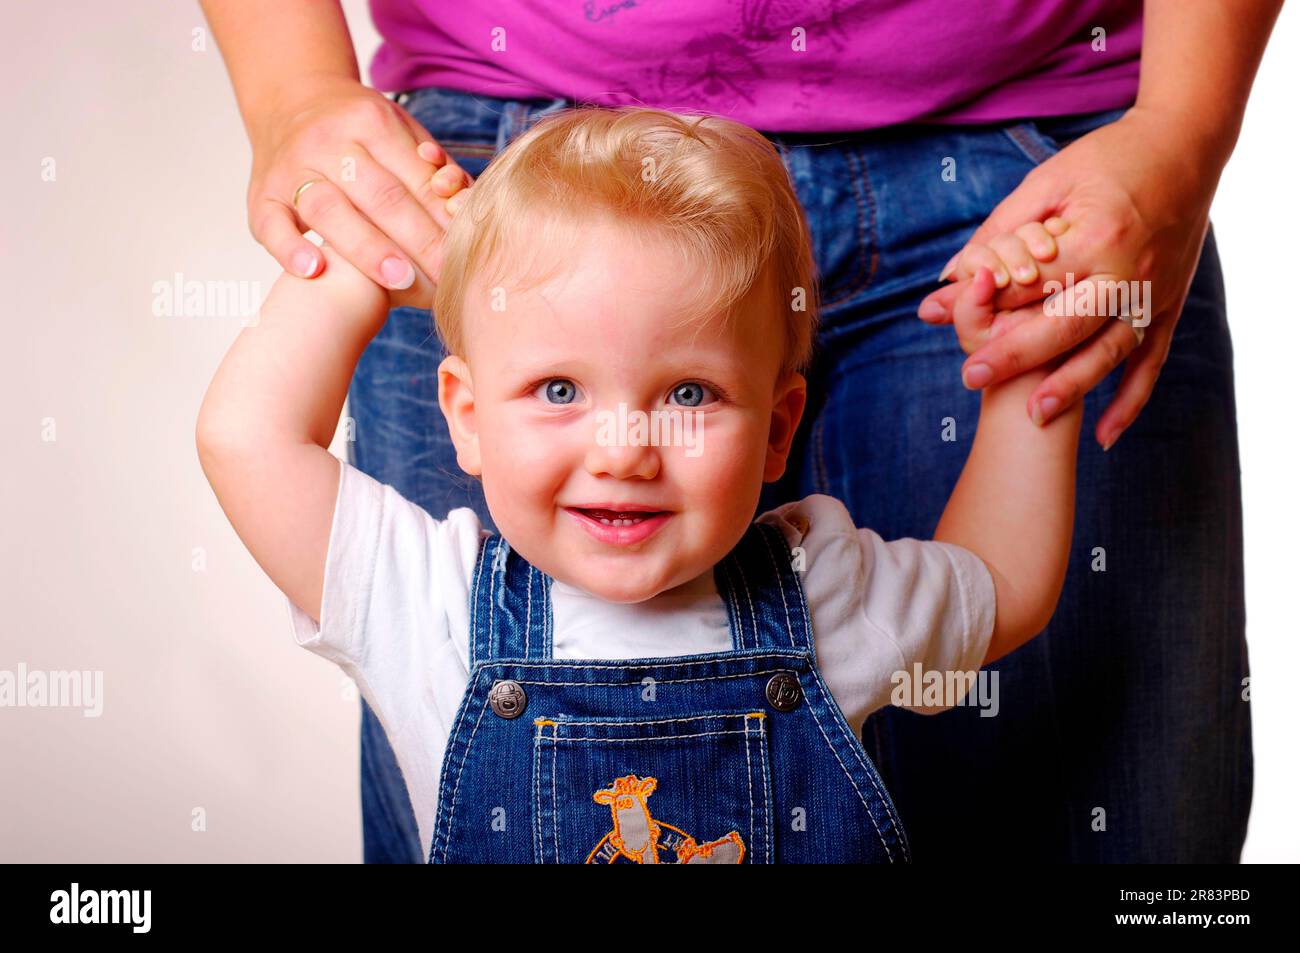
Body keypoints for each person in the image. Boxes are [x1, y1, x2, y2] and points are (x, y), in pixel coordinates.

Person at [199, 0, 1282, 862]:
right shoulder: (420, 600)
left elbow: (1002, 580)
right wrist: (350, 255)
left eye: (687, 396)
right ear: (465, 415)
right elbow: (248, 441)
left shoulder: (830, 593)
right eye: (559, 389)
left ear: (777, 434)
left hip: (1023, 134)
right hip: (491, 102)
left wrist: (1019, 374)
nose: (622, 444)